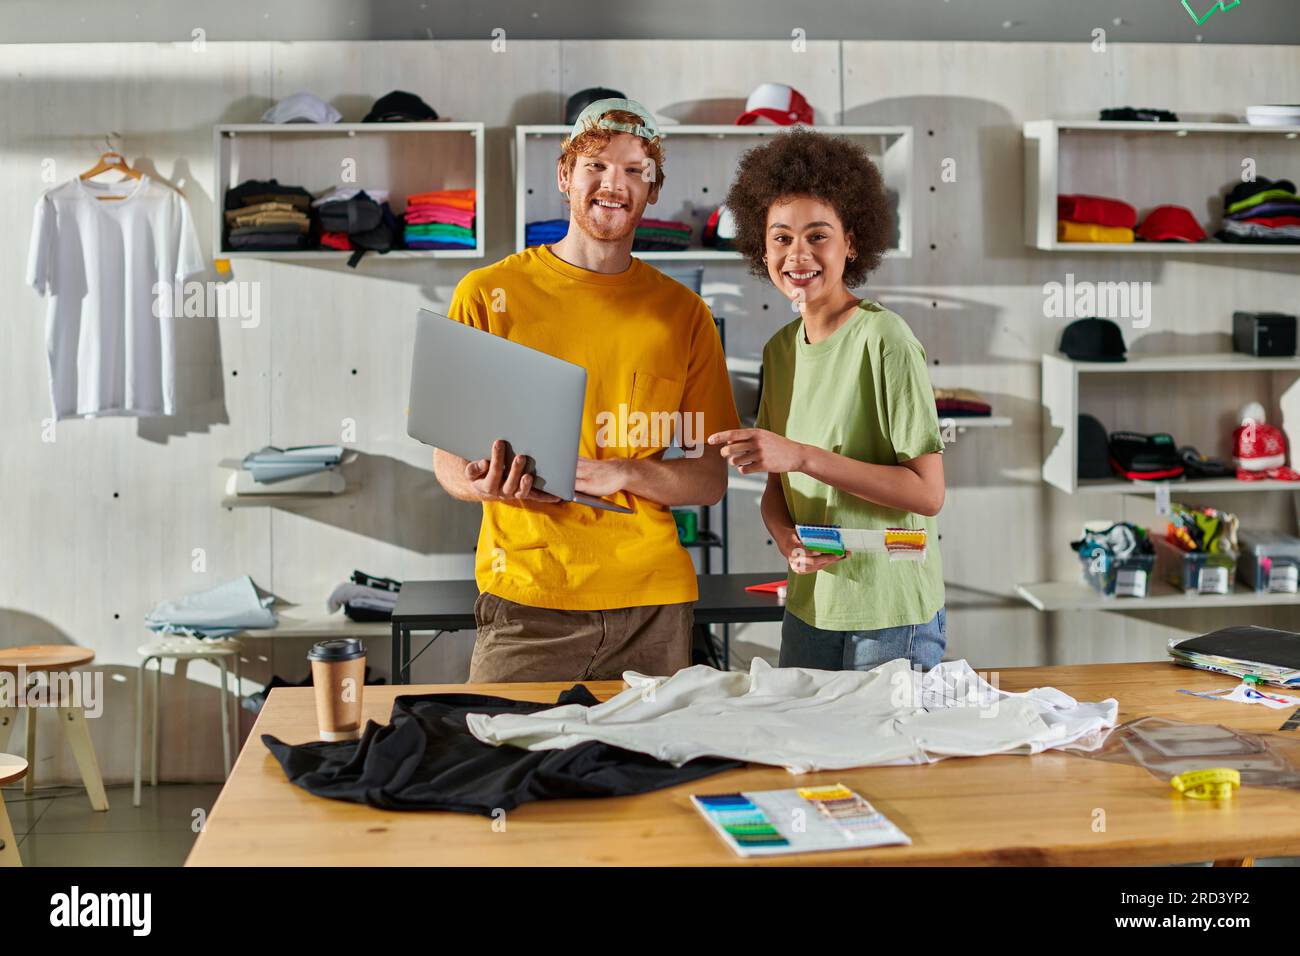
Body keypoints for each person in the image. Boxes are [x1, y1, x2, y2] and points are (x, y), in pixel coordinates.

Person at [432, 97, 740, 682]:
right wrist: (482, 484)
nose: (613, 184)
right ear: (564, 175)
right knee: (504, 769)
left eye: (634, 170)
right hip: (527, 600)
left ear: (652, 191)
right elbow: (447, 460)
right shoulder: (488, 294)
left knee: (652, 775)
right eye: (596, 164)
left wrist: (623, 472)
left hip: (654, 609)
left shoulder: (684, 315)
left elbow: (708, 479)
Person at [708, 128, 947, 671]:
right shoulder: (781, 350)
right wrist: (786, 540)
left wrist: (801, 455)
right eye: (781, 238)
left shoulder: (885, 338)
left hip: (890, 615)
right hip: (811, 608)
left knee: (884, 758)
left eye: (818, 236)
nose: (798, 255)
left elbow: (928, 495)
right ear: (759, 246)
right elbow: (776, 492)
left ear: (851, 243)